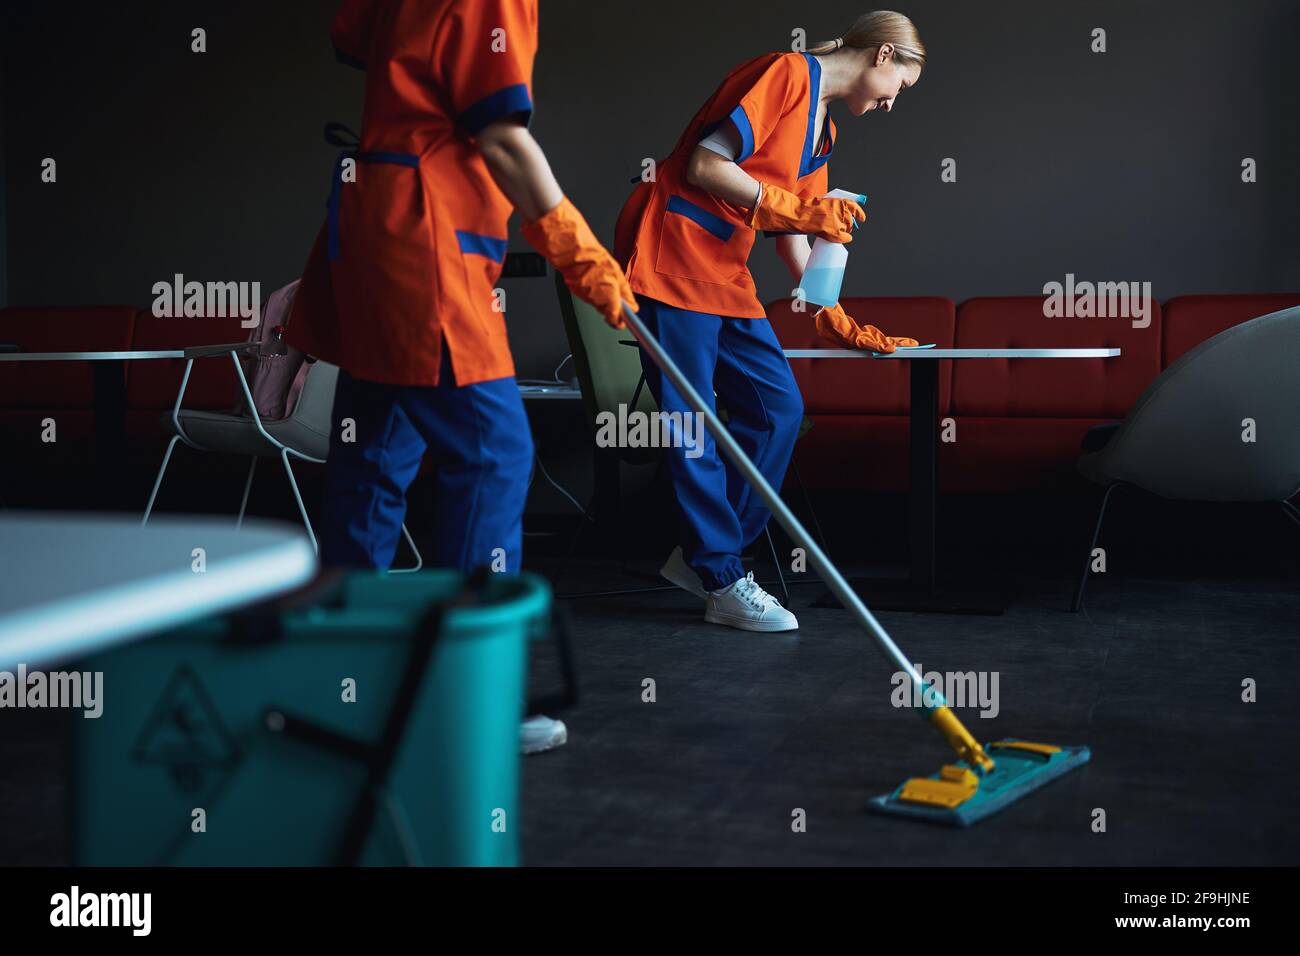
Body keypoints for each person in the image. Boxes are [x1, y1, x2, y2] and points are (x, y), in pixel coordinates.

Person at [287, 0, 638, 754]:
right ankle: (468, 694)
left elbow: (352, 33)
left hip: (375, 234)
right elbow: (502, 136)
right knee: (491, 455)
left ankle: (344, 676)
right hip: (424, 244)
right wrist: (591, 265)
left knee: (373, 458)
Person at [614, 11, 925, 633]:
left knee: (778, 410)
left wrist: (831, 309)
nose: (893, 105)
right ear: (882, 56)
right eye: (900, 89)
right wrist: (801, 212)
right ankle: (724, 577)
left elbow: (794, 239)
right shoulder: (784, 73)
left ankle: (706, 556)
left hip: (726, 273)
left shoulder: (824, 135)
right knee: (694, 421)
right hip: (671, 254)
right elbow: (705, 165)